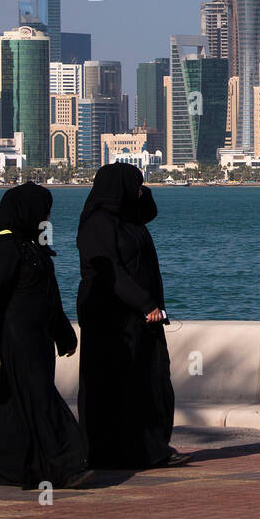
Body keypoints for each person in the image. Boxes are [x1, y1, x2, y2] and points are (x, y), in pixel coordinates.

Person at [0, 182, 90, 489]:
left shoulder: (33, 247)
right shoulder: (7, 247)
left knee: (13, 398)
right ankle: (65, 464)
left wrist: (63, 335)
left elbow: (49, 297)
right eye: (44, 211)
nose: (48, 218)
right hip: (17, 337)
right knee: (39, 395)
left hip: (39, 338)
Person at [76, 163, 185, 469]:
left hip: (142, 320)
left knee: (151, 382)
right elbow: (113, 273)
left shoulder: (129, 220)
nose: (140, 192)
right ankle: (105, 453)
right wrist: (144, 303)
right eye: (135, 186)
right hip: (112, 320)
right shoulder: (98, 223)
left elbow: (148, 210)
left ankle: (150, 448)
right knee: (112, 386)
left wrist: (139, 186)